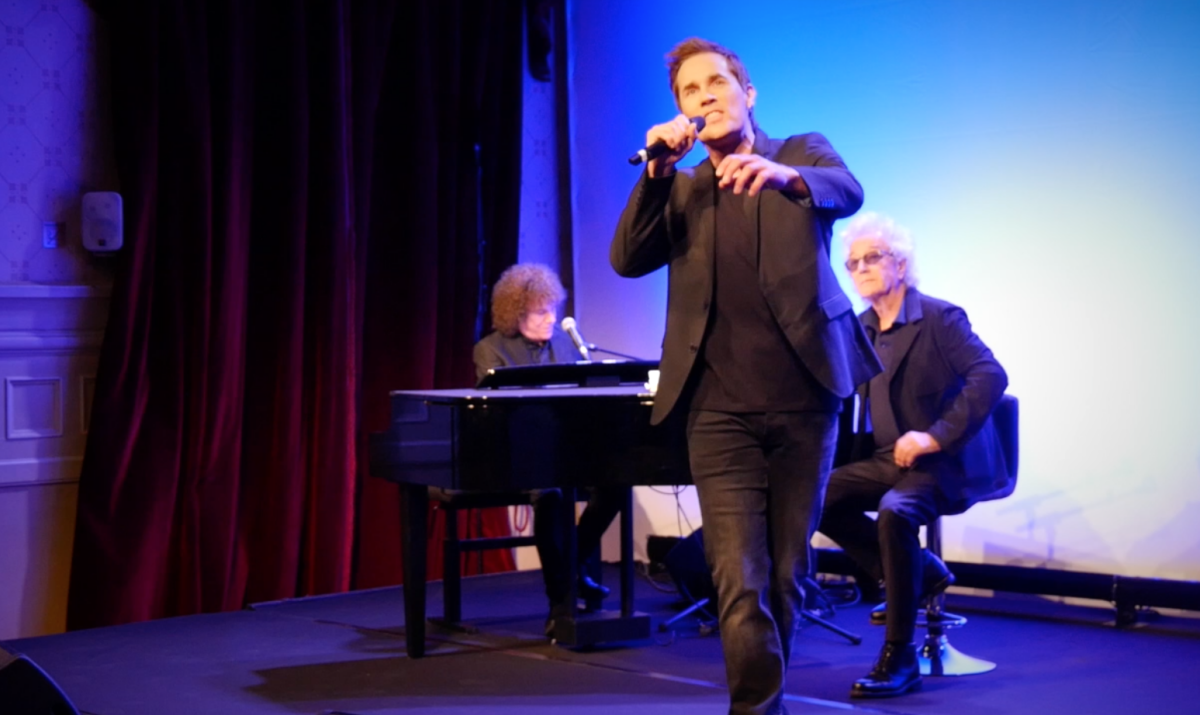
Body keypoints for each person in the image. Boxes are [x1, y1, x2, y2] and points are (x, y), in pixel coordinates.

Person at [610, 38, 881, 715]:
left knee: (787, 573)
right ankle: (756, 709)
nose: (705, 96)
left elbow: (848, 190)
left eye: (717, 82)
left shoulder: (800, 152)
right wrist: (656, 175)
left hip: (804, 399)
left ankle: (767, 697)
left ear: (747, 91)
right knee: (738, 573)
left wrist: (784, 177)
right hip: (717, 410)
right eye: (689, 91)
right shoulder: (684, 188)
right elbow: (625, 258)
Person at [817, 212, 1009, 698]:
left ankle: (899, 659)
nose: (860, 268)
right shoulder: (859, 327)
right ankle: (919, 572)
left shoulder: (940, 319)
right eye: (852, 262)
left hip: (947, 460)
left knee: (894, 513)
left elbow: (991, 376)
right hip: (890, 458)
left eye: (872, 257)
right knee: (816, 495)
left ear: (900, 264)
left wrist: (936, 436)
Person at [473, 263, 625, 637]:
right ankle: (560, 601)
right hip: (519, 454)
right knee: (551, 495)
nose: (551, 319)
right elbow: (497, 413)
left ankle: (569, 571)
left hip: (570, 451)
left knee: (616, 486)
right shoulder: (490, 350)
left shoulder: (565, 344)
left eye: (553, 309)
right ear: (516, 312)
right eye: (542, 311)